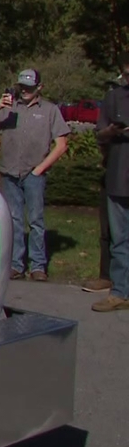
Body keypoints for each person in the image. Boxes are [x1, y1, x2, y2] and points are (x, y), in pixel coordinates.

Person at [0, 68, 70, 282]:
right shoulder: (10, 107)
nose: (24, 90)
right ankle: (16, 264)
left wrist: (40, 169)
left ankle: (38, 265)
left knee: (36, 220)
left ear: (39, 87)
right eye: (22, 86)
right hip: (10, 171)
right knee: (14, 219)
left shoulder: (50, 110)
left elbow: (61, 145)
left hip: (34, 172)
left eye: (29, 87)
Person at [93, 52, 129, 311]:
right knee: (120, 240)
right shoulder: (114, 96)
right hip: (118, 177)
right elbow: (99, 134)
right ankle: (120, 292)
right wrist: (112, 131)